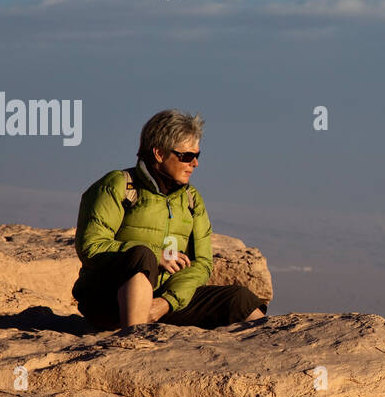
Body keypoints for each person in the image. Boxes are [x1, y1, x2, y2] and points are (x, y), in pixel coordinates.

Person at [71, 109, 267, 331]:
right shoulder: (118, 185)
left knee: (239, 299)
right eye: (186, 156)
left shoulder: (192, 200)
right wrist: (156, 256)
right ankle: (133, 340)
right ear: (158, 153)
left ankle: (275, 357)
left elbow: (202, 264)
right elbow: (91, 246)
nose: (195, 164)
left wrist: (167, 302)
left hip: (162, 302)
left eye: (197, 155)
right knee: (142, 255)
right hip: (108, 301)